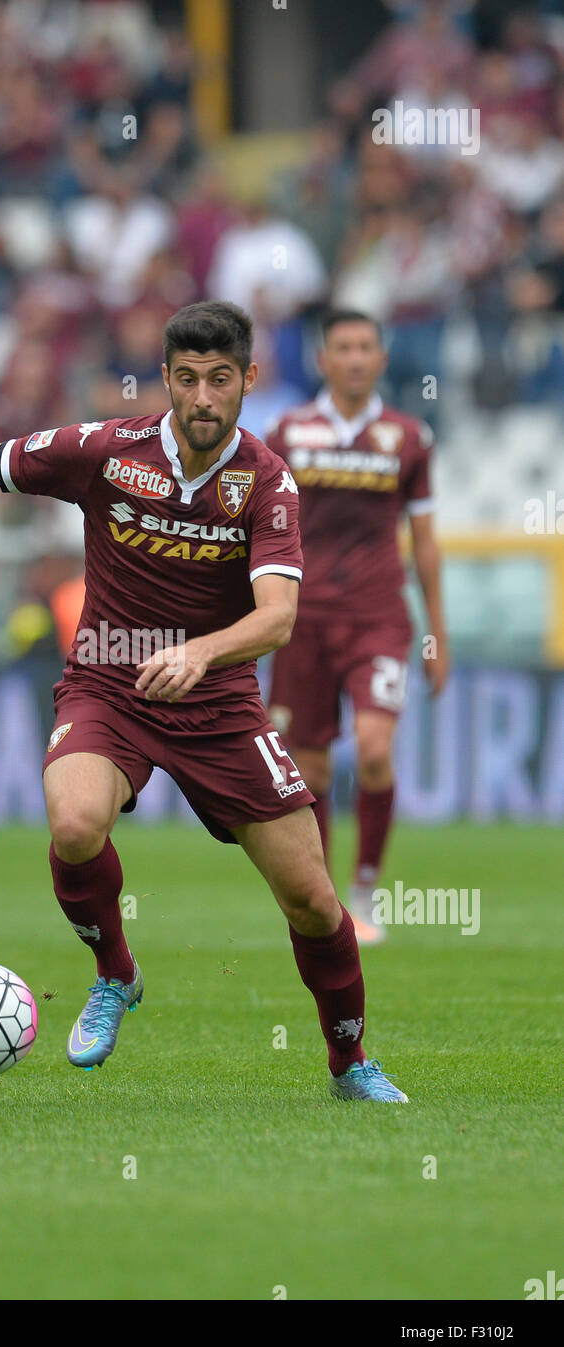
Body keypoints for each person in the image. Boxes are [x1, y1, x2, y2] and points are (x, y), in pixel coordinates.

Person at [0, 300, 408, 1102]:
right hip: (106, 681)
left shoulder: (265, 480)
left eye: (221, 380)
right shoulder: (105, 450)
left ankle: (350, 1064)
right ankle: (115, 973)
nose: (203, 397)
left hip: (219, 699)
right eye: (187, 379)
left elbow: (278, 617)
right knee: (75, 823)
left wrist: (199, 650)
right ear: (165, 379)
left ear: (248, 382)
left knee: (310, 898)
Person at [265, 308, 449, 944]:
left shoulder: (409, 437)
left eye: (365, 347)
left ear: (381, 359)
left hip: (377, 618)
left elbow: (424, 541)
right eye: (342, 347)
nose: (353, 357)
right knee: (309, 774)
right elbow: (260, 530)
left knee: (374, 751)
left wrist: (437, 634)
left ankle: (366, 889)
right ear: (323, 360)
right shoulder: (288, 433)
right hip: (302, 620)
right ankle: (321, 901)